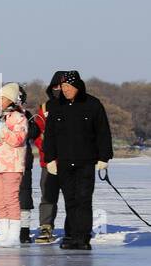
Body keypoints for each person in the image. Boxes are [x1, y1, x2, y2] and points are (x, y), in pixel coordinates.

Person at [43, 70, 112, 251]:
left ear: (77, 87)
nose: (64, 90)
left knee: (83, 199)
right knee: (70, 200)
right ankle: (71, 235)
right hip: (64, 162)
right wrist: (49, 158)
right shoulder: (56, 106)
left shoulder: (93, 104)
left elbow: (103, 132)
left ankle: (83, 237)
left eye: (68, 86)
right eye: (63, 86)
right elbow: (49, 136)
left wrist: (104, 157)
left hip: (86, 161)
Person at [0, 82, 30, 248]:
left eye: (2, 98)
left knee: (11, 199)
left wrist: (0, 126)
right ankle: (3, 234)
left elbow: (17, 140)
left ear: (11, 100)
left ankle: (14, 236)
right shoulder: (0, 116)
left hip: (12, 165)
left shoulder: (19, 118)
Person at [35, 71, 65, 244]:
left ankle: (75, 228)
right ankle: (45, 227)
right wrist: (47, 150)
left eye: (62, 86)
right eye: (56, 86)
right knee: (48, 196)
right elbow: (38, 133)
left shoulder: (77, 106)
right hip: (49, 162)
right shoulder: (45, 108)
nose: (59, 89)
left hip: (71, 160)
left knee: (74, 197)